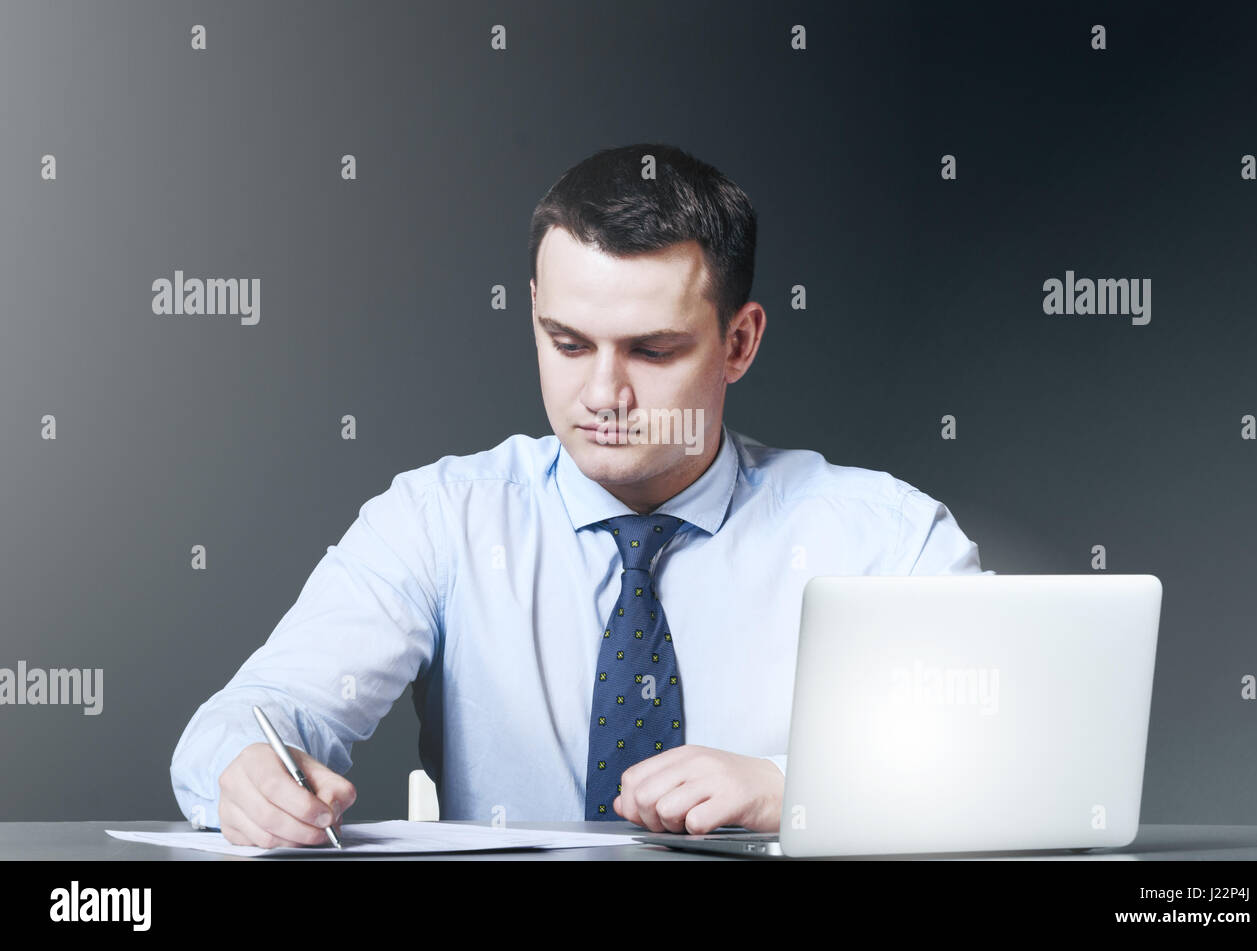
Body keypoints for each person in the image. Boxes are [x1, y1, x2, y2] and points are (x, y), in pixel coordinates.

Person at [170, 143, 993, 848]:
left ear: (738, 342)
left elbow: (1006, 751)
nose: (603, 393)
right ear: (534, 313)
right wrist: (246, 772)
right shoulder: (438, 521)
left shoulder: (887, 541)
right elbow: (254, 715)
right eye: (567, 342)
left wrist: (796, 788)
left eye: (653, 349)